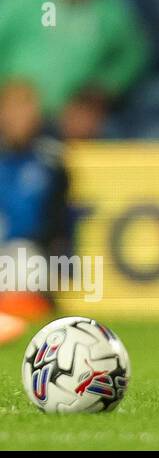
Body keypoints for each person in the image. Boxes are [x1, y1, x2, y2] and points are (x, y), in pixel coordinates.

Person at [0, 0, 148, 140]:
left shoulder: (111, 11)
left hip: (75, 114)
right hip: (14, 106)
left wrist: (99, 93)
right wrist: (8, 94)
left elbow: (131, 57)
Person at [0, 79, 70, 344]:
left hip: (29, 254)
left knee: (24, 260)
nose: (20, 117)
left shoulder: (52, 160)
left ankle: (17, 318)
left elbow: (62, 222)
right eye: (13, 109)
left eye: (26, 108)